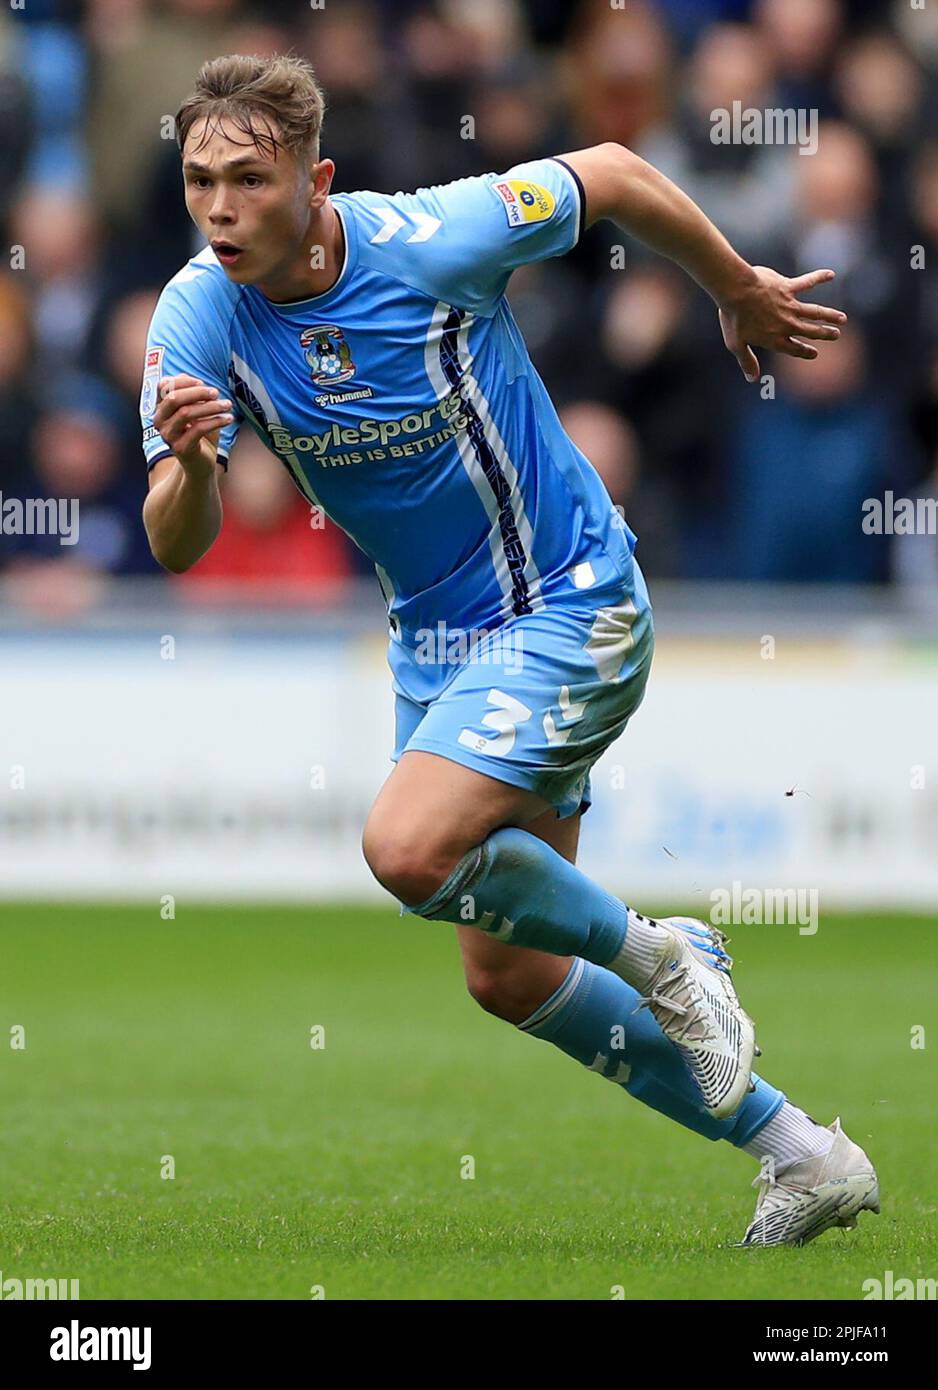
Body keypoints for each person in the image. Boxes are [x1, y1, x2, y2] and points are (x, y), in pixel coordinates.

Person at [141, 52, 878, 1246]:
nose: (220, 209)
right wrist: (198, 464)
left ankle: (662, 950)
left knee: (402, 843)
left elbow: (618, 173)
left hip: (568, 598)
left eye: (248, 180)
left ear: (315, 182)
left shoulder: (433, 239)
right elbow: (176, 541)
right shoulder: (196, 313)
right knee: (512, 973)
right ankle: (801, 1154)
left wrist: (732, 285)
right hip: (437, 646)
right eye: (197, 181)